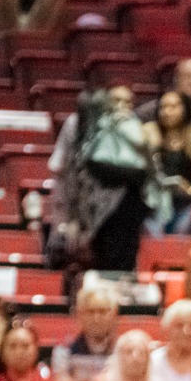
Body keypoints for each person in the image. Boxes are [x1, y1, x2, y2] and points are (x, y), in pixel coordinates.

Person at [49, 84, 151, 274]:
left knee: (116, 269)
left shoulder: (135, 128)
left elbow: (144, 174)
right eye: (116, 101)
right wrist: (66, 219)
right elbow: (64, 170)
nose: (121, 106)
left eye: (126, 101)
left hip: (121, 212)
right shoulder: (76, 124)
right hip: (84, 208)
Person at [145, 91, 191, 233]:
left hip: (183, 204)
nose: (167, 112)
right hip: (154, 202)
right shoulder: (149, 131)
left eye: (173, 107)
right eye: (163, 107)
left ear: (185, 108)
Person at [50, 281, 122, 381]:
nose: (96, 318)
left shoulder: (124, 349)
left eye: (102, 311)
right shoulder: (64, 349)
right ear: (79, 315)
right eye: (90, 311)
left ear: (114, 314)